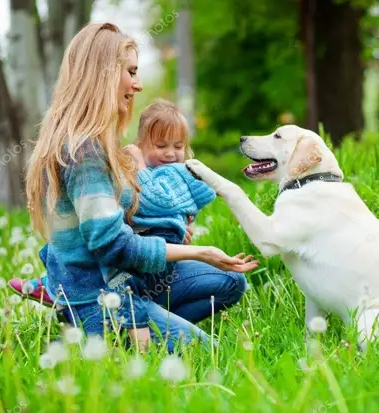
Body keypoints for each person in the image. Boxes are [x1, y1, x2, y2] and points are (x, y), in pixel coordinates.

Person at [20, 22, 258, 352]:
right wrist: (200, 252)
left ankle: (147, 328)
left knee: (231, 281)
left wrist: (165, 228)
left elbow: (112, 221)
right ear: (102, 74)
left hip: (128, 282)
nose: (139, 84)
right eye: (130, 72)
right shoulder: (84, 153)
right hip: (103, 296)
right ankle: (120, 333)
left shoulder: (97, 145)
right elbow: (112, 246)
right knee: (209, 355)